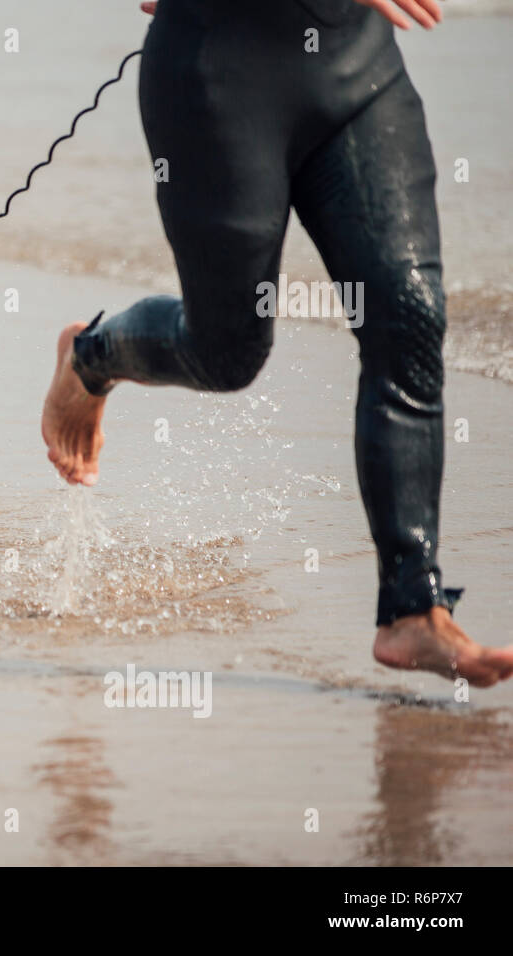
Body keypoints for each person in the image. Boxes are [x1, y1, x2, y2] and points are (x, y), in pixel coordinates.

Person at [41, 0, 513, 686]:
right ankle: (93, 355)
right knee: (226, 353)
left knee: (408, 316)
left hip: (361, 72)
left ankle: (414, 609)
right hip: (217, 81)